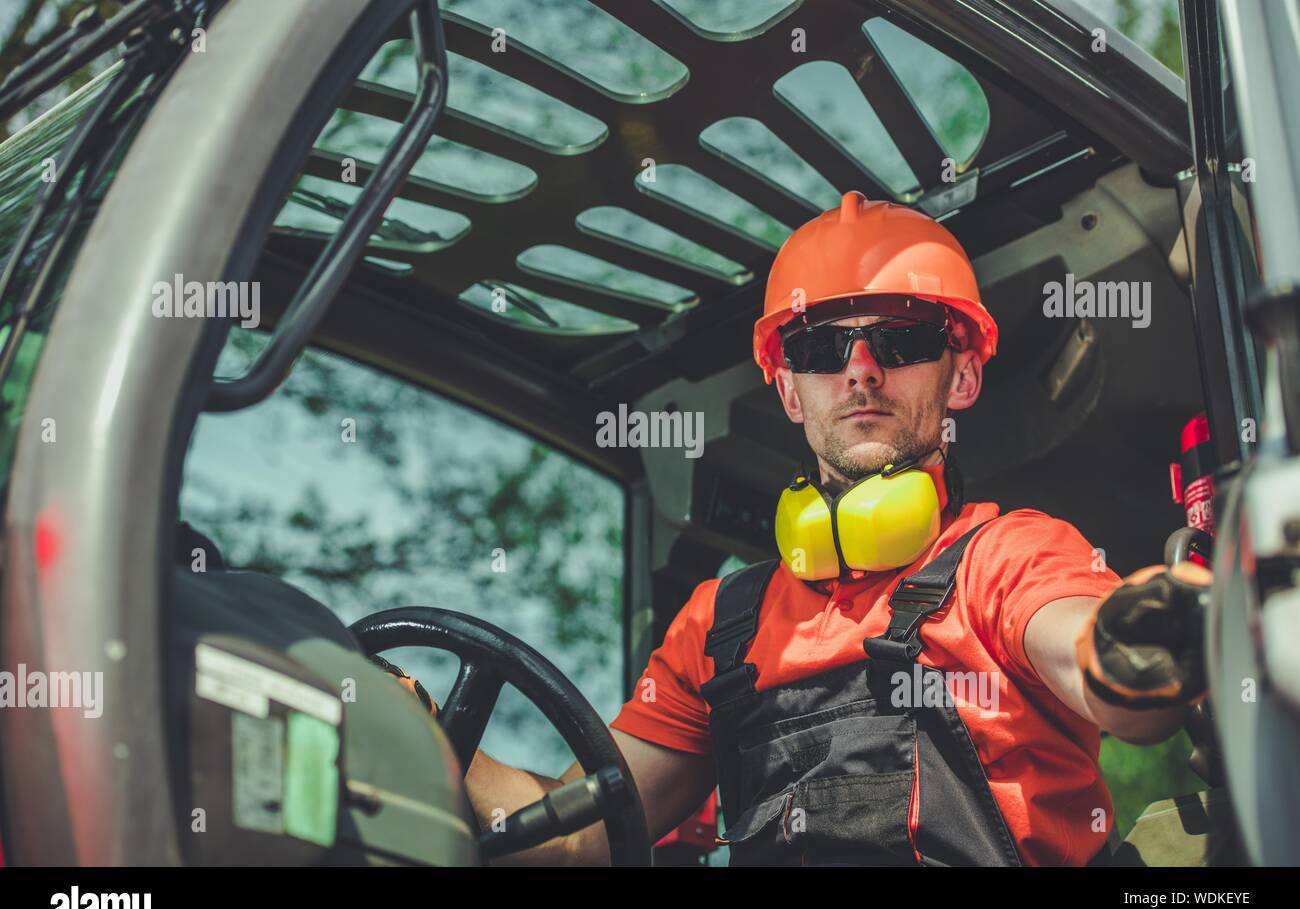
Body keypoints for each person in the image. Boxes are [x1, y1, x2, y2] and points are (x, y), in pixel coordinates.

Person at [408, 192, 1211, 866]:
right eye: (821, 346)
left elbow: (1103, 667)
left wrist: (1138, 644)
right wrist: (413, 738)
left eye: (901, 339)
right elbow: (583, 839)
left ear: (962, 374)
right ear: (791, 393)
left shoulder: (1008, 557)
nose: (860, 368)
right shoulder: (718, 625)